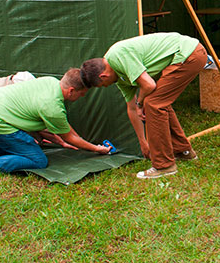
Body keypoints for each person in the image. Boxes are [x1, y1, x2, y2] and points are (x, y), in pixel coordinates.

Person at [80, 32, 206, 179]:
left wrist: (140, 103)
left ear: (103, 76)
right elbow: (131, 108)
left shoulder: (117, 56)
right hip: (189, 54)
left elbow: (148, 85)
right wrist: (143, 142)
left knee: (153, 104)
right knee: (159, 102)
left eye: (103, 85)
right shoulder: (120, 77)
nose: (106, 87)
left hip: (189, 54)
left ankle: (164, 165)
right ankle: (183, 151)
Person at [0, 69, 111, 179]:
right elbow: (70, 136)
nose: (81, 97)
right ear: (71, 91)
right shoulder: (53, 106)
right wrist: (97, 148)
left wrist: (63, 138)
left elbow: (65, 131)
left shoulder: (49, 82)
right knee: (37, 159)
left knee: (16, 146)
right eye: (81, 94)